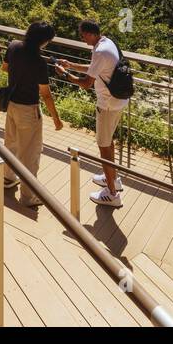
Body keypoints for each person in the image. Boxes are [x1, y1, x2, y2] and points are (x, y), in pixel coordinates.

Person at [55, 19, 127, 208]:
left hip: (108, 105)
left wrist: (65, 74)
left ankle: (112, 194)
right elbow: (94, 70)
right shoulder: (106, 43)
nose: (81, 38)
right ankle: (113, 179)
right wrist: (71, 64)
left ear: (91, 33)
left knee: (103, 147)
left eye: (82, 35)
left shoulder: (101, 51)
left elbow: (87, 83)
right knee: (108, 141)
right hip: (117, 101)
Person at [2, 21, 63, 207]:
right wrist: (57, 119)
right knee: (30, 153)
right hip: (29, 110)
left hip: (11, 105)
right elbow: (45, 94)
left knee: (11, 143)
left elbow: (4, 67)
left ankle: (7, 178)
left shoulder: (13, 46)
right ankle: (29, 196)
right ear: (44, 41)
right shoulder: (39, 62)